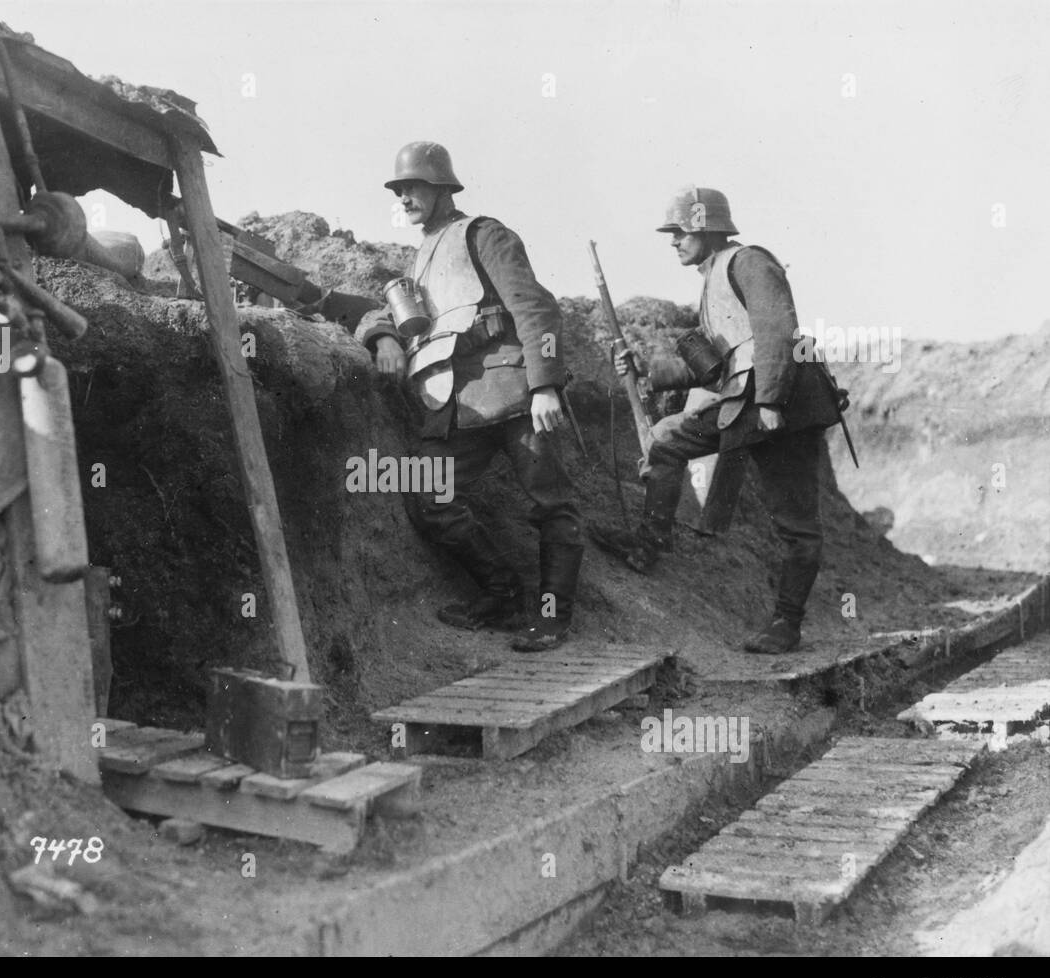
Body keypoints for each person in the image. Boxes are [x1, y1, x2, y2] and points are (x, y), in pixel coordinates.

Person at [589, 186, 844, 654]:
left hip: (780, 409)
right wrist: (646, 366)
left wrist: (769, 400)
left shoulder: (747, 262)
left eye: (682, 232)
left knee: (797, 524)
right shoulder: (712, 282)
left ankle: (786, 625)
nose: (674, 242)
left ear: (707, 228)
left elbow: (777, 329)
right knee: (665, 443)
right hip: (744, 405)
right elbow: (713, 365)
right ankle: (649, 544)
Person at [356, 141, 583, 652]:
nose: (404, 196)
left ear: (441, 188)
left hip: (515, 390)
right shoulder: (420, 258)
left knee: (551, 504)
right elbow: (381, 311)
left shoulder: (482, 233)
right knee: (429, 496)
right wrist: (383, 336)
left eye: (413, 187)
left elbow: (534, 306)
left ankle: (552, 619)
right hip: (456, 403)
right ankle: (501, 595)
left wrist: (545, 383)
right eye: (399, 189)